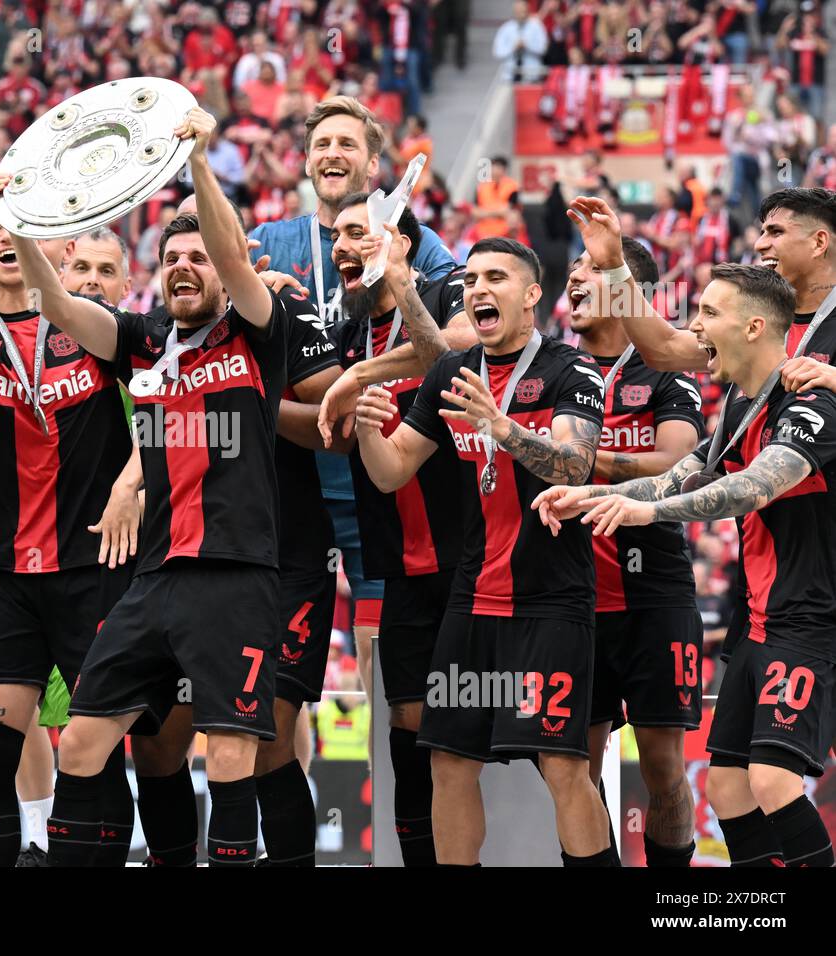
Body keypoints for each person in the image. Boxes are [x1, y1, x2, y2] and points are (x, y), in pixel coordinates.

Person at [3, 108, 322, 867]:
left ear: (224, 262)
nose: (185, 266)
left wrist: (201, 164)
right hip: (153, 580)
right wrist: (14, 224)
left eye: (199, 256)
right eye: (172, 256)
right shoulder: (146, 340)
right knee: (82, 741)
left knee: (233, 756)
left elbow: (235, 264)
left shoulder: (258, 330)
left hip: (237, 575)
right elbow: (56, 305)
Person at [536, 262, 836, 868]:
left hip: (812, 620)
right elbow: (684, 474)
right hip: (760, 623)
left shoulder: (812, 400)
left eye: (708, 314)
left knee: (774, 781)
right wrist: (591, 497)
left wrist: (649, 514)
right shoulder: (741, 405)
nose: (694, 328)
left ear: (753, 327)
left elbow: (753, 486)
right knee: (727, 788)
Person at [354, 236, 613, 866]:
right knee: (448, 762)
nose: (477, 288)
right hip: (473, 601)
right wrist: (367, 430)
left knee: (560, 763)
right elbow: (392, 473)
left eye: (496, 277)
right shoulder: (451, 371)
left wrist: (502, 426)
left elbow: (575, 468)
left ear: (531, 296)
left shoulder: (568, 369)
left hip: (550, 599)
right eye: (470, 279)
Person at [0, 170, 136, 869]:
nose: (9, 244)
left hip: (93, 576)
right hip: (8, 578)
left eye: (28, 233)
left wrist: (18, 224)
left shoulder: (90, 326)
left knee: (96, 757)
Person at [249, 96, 457, 733]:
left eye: (348, 144)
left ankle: (385, 824)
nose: (332, 154)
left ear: (372, 165)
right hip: (298, 477)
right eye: (322, 144)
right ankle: (302, 806)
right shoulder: (268, 240)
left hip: (387, 473)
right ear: (306, 161)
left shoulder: (409, 238)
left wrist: (359, 375)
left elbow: (445, 344)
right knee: (287, 686)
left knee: (380, 670)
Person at [327, 197, 464, 866]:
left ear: (402, 241)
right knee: (409, 731)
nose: (342, 245)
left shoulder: (453, 287)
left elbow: (453, 357)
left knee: (534, 743)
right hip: (398, 566)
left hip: (476, 560)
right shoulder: (347, 328)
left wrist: (358, 375)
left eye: (358, 232)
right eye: (336, 236)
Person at [562, 236, 706, 867]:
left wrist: (586, 461)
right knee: (574, 771)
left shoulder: (664, 369)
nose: (574, 276)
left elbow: (678, 463)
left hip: (655, 594)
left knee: (664, 767)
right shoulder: (553, 370)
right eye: (572, 267)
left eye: (591, 269)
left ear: (628, 291)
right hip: (570, 597)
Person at [493, 0, 549, 83]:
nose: (520, 14)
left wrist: (527, 45)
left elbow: (543, 49)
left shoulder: (537, 26)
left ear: (527, 10)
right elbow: (498, 52)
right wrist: (513, 47)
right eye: (518, 11)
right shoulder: (506, 28)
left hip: (531, 75)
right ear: (514, 11)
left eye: (523, 11)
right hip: (509, 76)